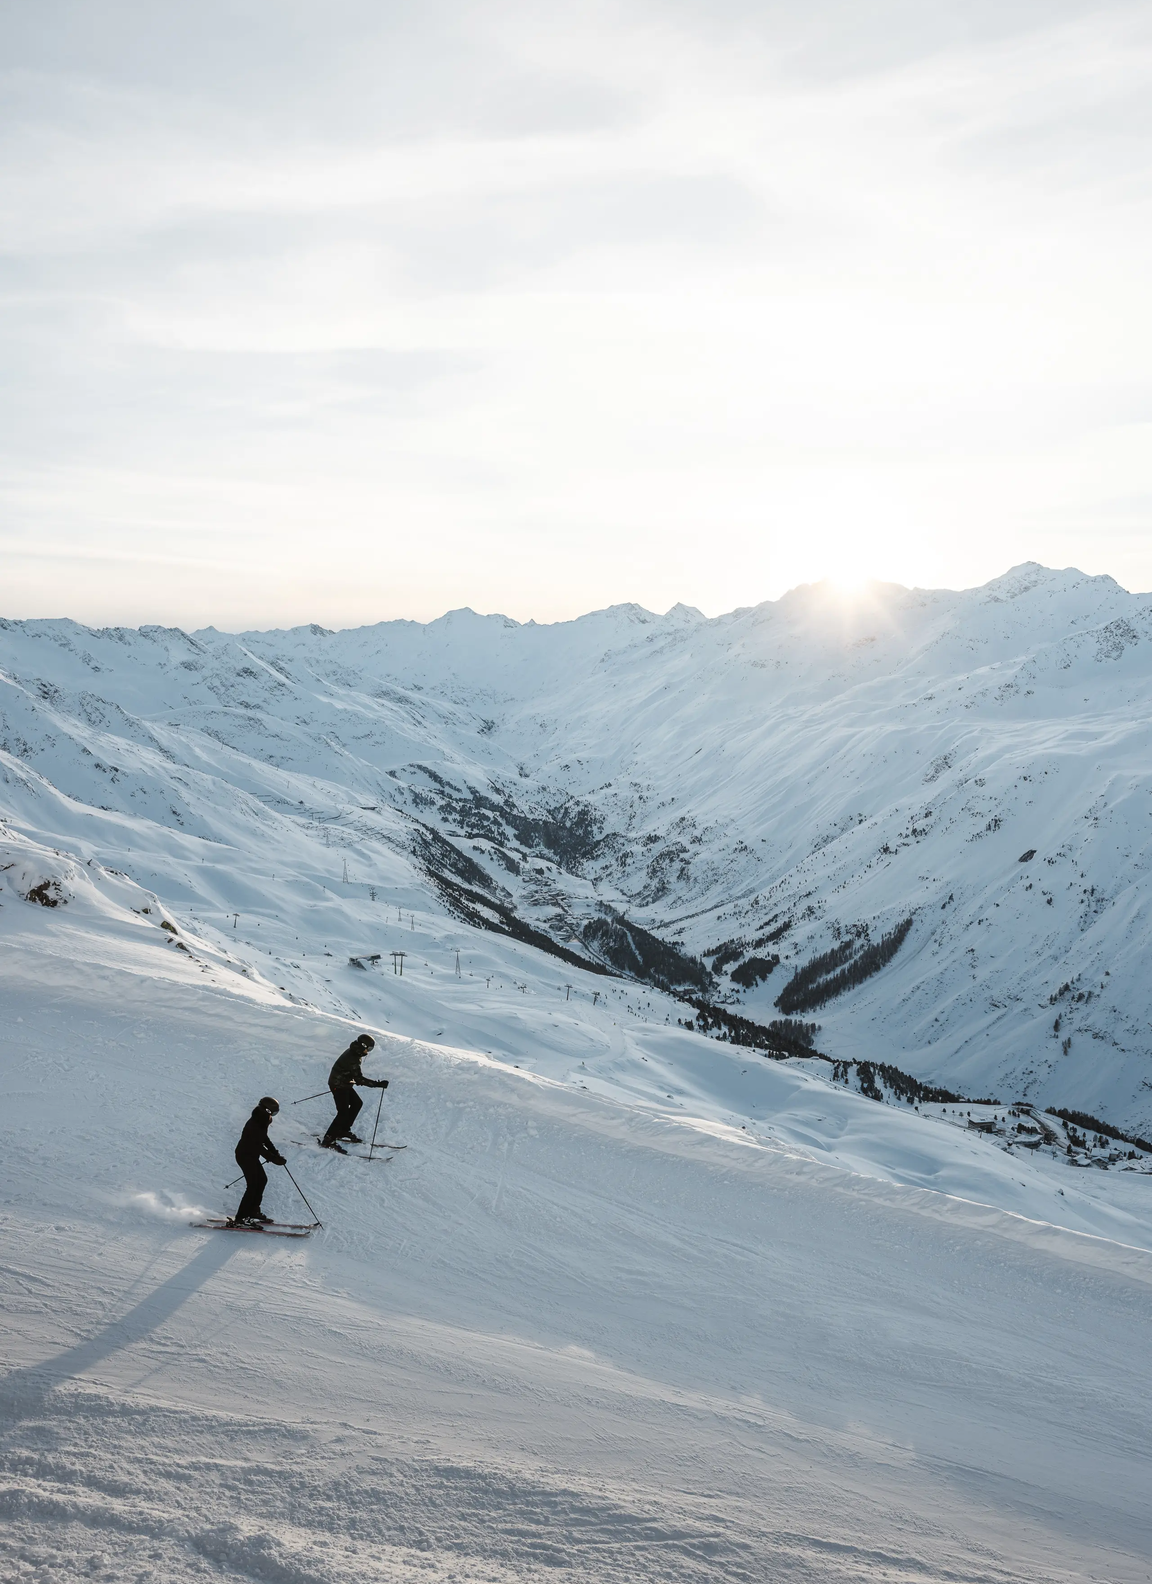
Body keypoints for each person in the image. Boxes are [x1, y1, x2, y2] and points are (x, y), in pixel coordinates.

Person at [320, 1034, 388, 1148]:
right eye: (369, 1048)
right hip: (338, 1085)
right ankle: (328, 1139)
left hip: (344, 1084)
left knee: (357, 1103)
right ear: (363, 1046)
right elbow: (359, 1079)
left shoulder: (355, 1052)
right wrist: (377, 1084)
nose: (368, 1051)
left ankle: (343, 1130)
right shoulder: (353, 1058)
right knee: (343, 1113)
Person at [231, 1096, 286, 1225]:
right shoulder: (254, 1124)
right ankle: (241, 1217)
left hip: (251, 1155)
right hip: (245, 1156)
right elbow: (257, 1145)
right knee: (252, 1186)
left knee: (262, 1180)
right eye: (273, 1112)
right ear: (267, 1110)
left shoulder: (262, 1120)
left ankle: (253, 1211)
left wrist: (274, 1152)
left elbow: (264, 1138)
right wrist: (273, 1159)